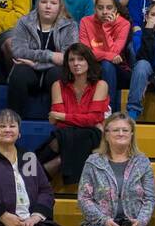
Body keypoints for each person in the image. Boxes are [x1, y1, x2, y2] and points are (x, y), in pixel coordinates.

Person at [77, 113, 155, 226]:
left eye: (125, 130)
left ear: (132, 134)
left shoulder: (143, 162)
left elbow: (150, 198)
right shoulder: (93, 162)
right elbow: (84, 198)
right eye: (116, 130)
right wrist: (103, 220)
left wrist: (140, 222)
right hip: (101, 224)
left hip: (133, 225)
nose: (121, 133)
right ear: (106, 134)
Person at [35, 43, 110, 185]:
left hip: (91, 135)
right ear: (67, 64)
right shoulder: (58, 85)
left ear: (88, 62)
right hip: (69, 132)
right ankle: (45, 172)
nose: (76, 63)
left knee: (60, 139)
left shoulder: (101, 85)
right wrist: (82, 119)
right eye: (71, 60)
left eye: (81, 59)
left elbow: (93, 118)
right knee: (64, 139)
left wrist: (63, 116)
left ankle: (30, 177)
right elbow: (58, 122)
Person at [4, 0, 78, 114]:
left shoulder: (70, 26)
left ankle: (58, 119)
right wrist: (50, 56)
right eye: (44, 2)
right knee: (19, 72)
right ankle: (14, 120)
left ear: (60, 7)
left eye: (53, 3)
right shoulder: (24, 22)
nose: (48, 6)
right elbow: (18, 51)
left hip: (52, 72)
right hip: (29, 71)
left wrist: (35, 64)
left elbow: (68, 58)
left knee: (57, 73)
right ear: (37, 4)